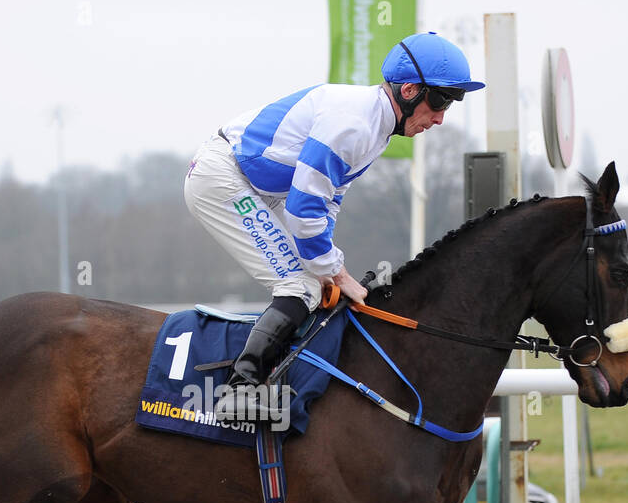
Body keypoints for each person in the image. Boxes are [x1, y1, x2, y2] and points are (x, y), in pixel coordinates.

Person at [183, 31, 484, 421]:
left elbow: (327, 203)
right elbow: (305, 206)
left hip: (260, 186)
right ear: (409, 90)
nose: (441, 117)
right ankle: (240, 389)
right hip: (223, 178)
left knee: (316, 282)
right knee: (300, 284)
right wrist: (336, 272)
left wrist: (331, 271)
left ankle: (279, 376)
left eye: (451, 103)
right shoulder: (355, 124)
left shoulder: (376, 127)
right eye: (440, 100)